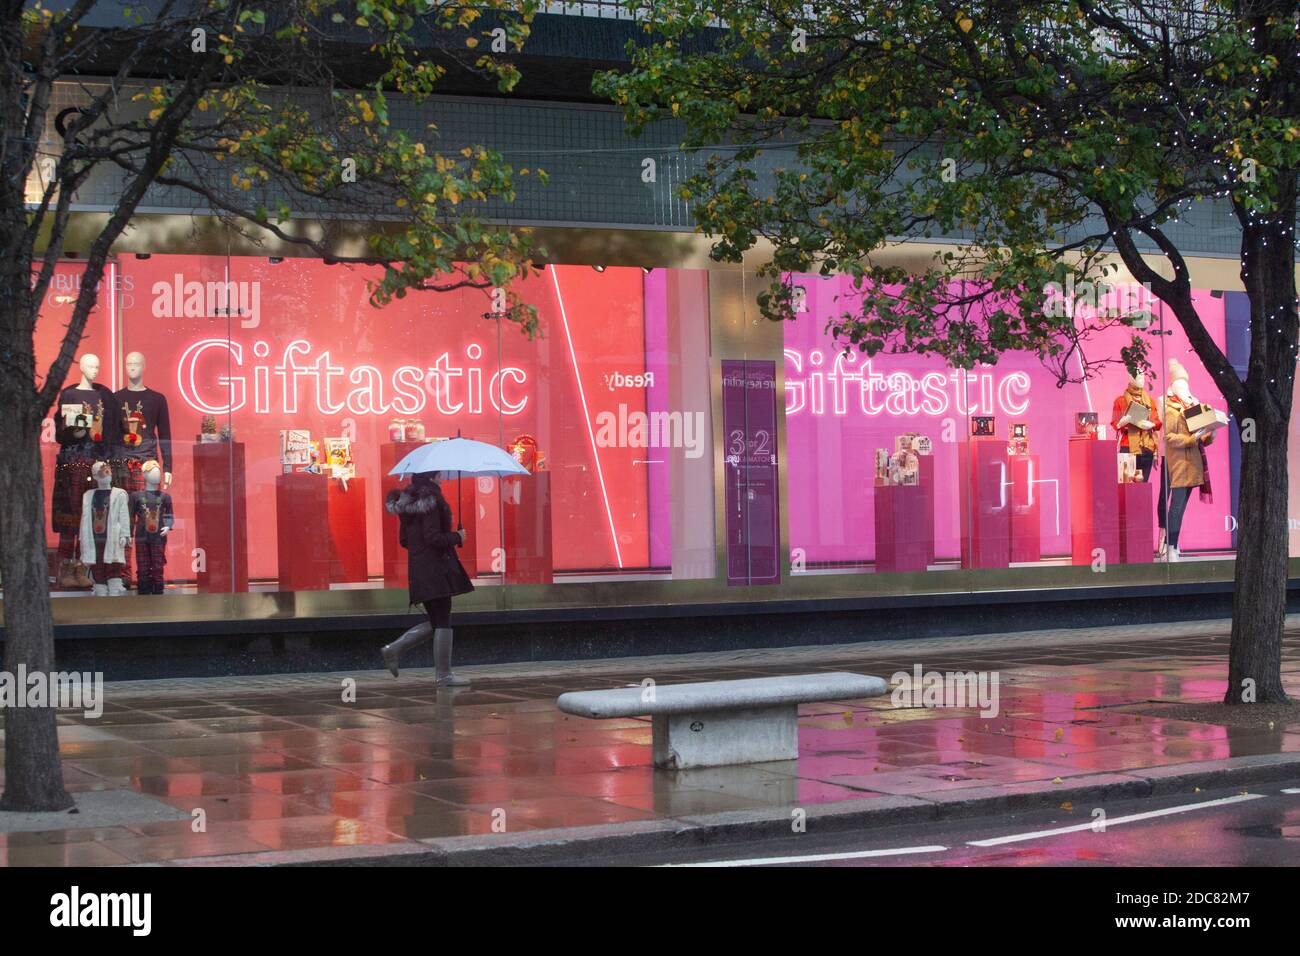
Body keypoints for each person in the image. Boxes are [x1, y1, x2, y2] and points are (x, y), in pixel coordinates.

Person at [380, 471, 474, 683]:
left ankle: (393, 650)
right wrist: (457, 536)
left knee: (437, 620)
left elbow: (405, 540)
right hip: (436, 570)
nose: (441, 478)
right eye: (439, 475)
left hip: (420, 569)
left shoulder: (407, 501)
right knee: (442, 621)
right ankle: (444, 675)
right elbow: (433, 537)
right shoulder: (431, 499)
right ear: (432, 476)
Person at [1160, 359, 1214, 562]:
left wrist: (1210, 430)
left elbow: (1204, 440)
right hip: (1180, 464)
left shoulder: (1194, 406)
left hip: (1193, 464)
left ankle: (1173, 545)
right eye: (1180, 385)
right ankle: (1171, 546)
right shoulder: (1171, 409)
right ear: (1173, 388)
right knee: (1176, 508)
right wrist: (1193, 439)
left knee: (1181, 508)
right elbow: (1169, 438)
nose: (1185, 389)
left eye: (1186, 385)